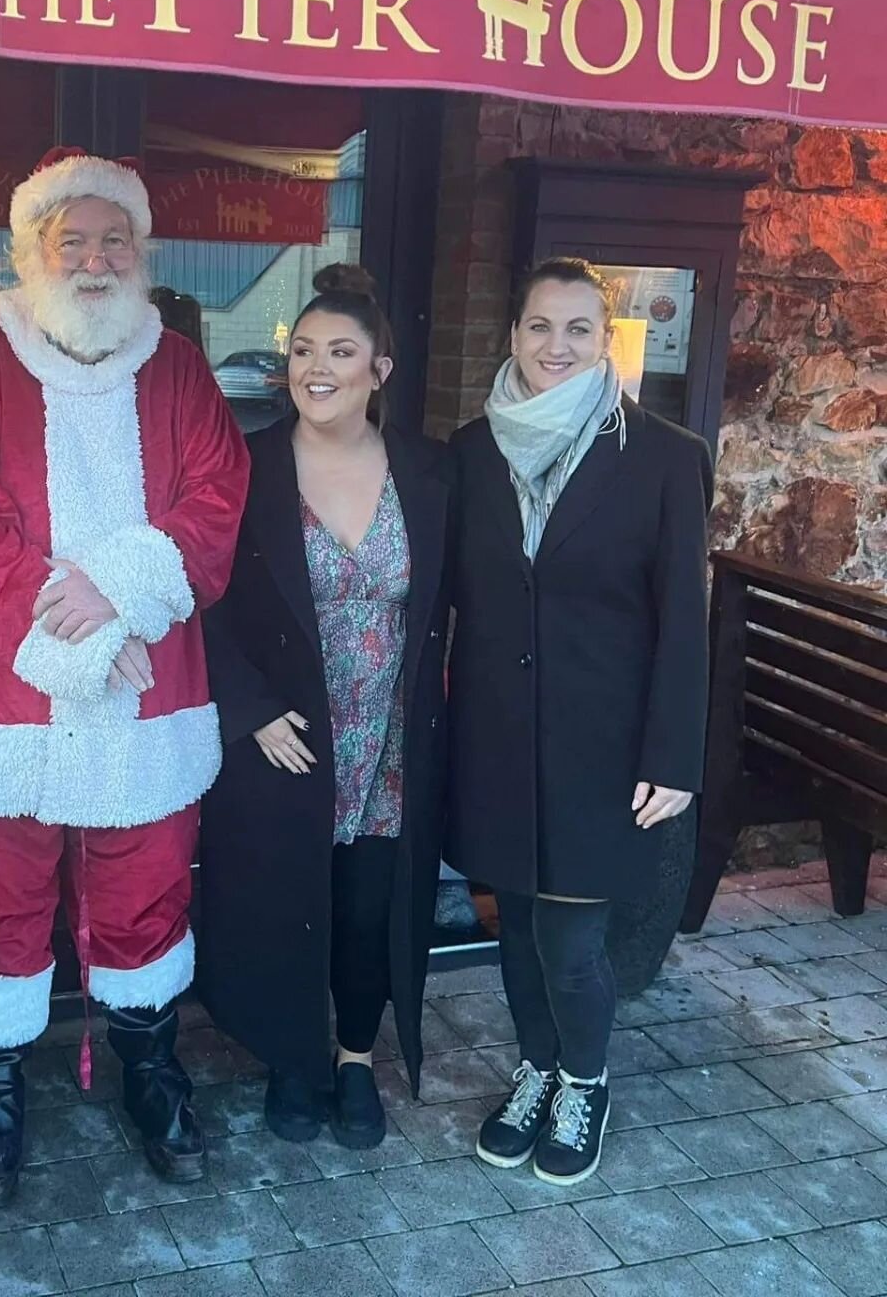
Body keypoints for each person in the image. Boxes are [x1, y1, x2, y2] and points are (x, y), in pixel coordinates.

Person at [0, 147, 250, 1207]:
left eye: (115, 240)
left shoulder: (183, 370)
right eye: (75, 241)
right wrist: (95, 638)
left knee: (146, 887)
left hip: (151, 703)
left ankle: (151, 1066)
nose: (96, 260)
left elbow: (215, 500)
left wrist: (122, 592)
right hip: (4, 701)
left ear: (140, 253)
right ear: (33, 251)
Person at [447, 256, 711, 1185]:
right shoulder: (473, 451)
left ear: (606, 340)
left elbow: (685, 620)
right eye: (537, 327)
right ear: (512, 334)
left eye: (576, 330)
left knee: (569, 942)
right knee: (513, 928)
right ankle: (537, 1067)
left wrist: (675, 756)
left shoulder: (666, 456)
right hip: (497, 739)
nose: (555, 347)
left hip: (603, 747)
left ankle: (585, 1081)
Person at [197, 265, 451, 1148]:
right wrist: (250, 708)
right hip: (288, 735)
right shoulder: (246, 466)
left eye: (340, 352)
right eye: (303, 350)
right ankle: (290, 1056)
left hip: (387, 734)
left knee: (366, 904)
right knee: (284, 896)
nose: (317, 368)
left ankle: (352, 1056)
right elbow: (203, 598)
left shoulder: (430, 472)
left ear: (380, 369)